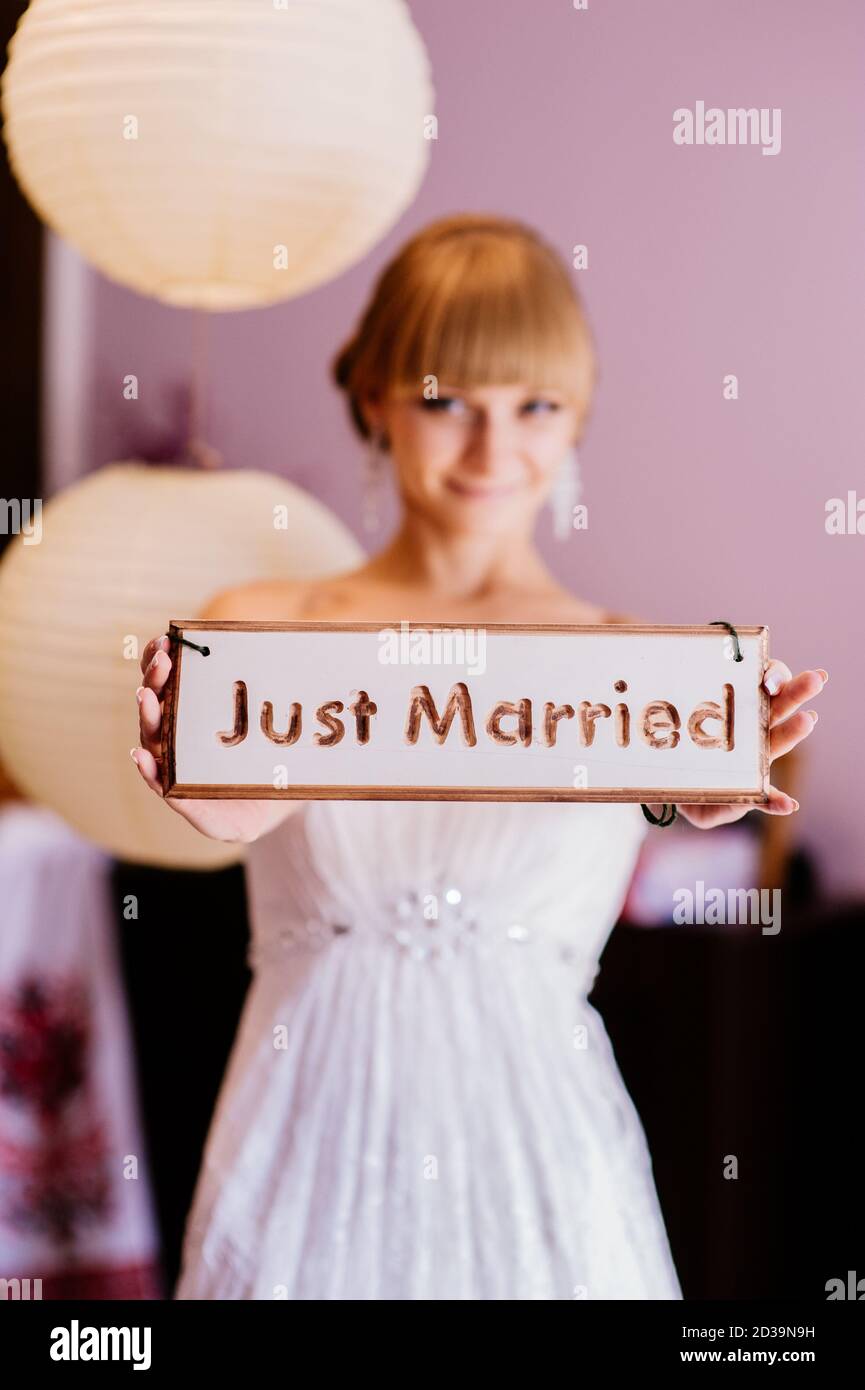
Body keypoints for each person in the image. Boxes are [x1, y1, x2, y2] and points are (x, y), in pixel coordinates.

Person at [132, 214, 825, 1299]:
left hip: (544, 1169)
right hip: (304, 1149)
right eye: (445, 399)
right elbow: (233, 812)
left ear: (577, 419)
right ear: (375, 400)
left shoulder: (636, 674)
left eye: (534, 406)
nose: (494, 451)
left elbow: (690, 787)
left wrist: (689, 800)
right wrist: (205, 797)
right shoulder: (263, 631)